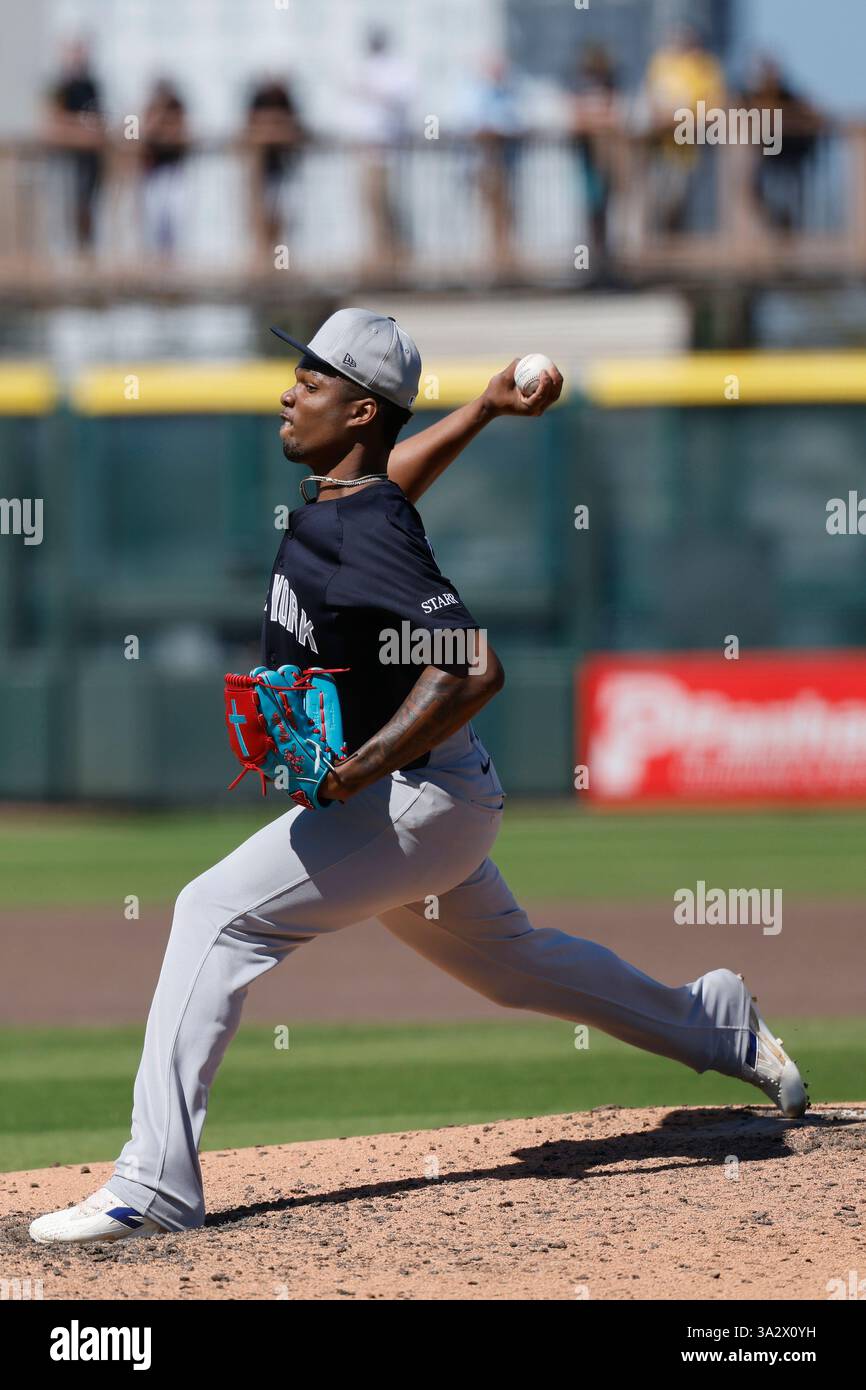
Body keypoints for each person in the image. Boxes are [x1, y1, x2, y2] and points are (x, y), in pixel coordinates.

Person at [29, 308, 806, 1244]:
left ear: (359, 411)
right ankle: (713, 1022)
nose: (288, 391)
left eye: (311, 381)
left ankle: (154, 1185)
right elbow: (390, 482)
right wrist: (480, 409)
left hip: (414, 802)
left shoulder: (368, 535)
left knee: (213, 914)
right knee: (513, 968)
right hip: (435, 800)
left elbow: (473, 669)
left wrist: (362, 764)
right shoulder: (355, 499)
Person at [642, 25, 726, 234]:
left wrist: (680, 119)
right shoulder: (662, 64)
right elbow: (651, 104)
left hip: (693, 151)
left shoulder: (707, 68)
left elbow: (715, 108)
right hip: (659, 149)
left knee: (684, 206)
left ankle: (676, 244)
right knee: (659, 203)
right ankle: (662, 247)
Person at [739, 57, 823, 234]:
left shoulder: (789, 97)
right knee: (755, 190)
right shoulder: (750, 97)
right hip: (767, 158)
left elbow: (815, 117)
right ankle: (776, 227)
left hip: (788, 159)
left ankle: (786, 229)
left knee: (787, 196)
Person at [43, 37, 105, 251]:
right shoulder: (59, 86)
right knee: (63, 211)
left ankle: (85, 252)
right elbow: (52, 121)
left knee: (86, 209)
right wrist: (80, 127)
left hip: (89, 161)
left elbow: (99, 120)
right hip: (64, 159)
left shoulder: (91, 85)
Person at [244, 77, 305, 261]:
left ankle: (281, 264)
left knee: (283, 220)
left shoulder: (286, 101)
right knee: (264, 219)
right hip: (264, 172)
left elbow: (295, 128)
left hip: (284, 170)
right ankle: (265, 261)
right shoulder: (258, 100)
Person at [140, 79, 189, 257]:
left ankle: (172, 259)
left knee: (175, 219)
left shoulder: (177, 107)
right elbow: (144, 134)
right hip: (153, 173)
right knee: (155, 222)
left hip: (174, 171)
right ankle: (157, 260)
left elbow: (181, 133)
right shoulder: (150, 110)